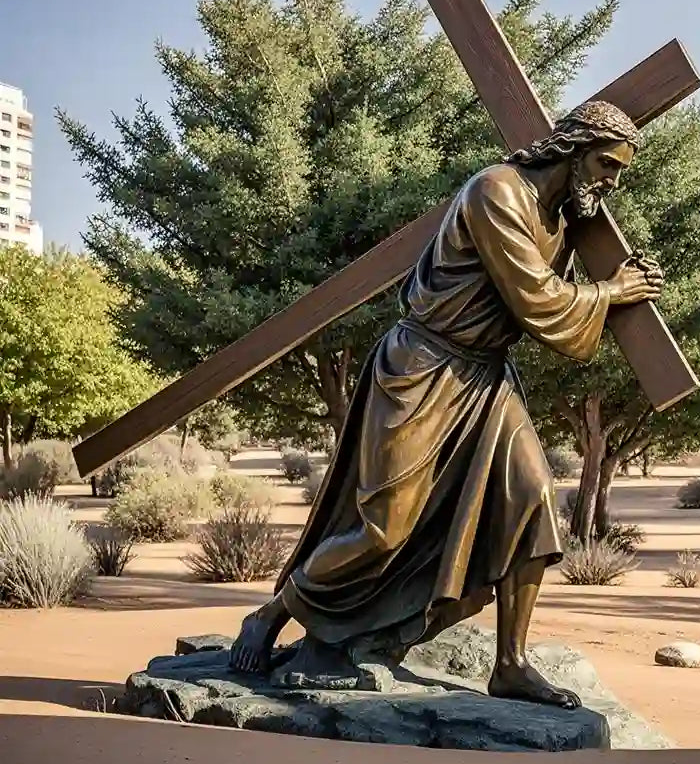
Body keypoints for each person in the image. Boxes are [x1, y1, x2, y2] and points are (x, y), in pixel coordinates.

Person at [230, 100, 664, 709]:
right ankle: (274, 613)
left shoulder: (563, 217)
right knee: (385, 527)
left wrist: (607, 286)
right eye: (606, 164)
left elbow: (550, 312)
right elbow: (538, 302)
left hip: (486, 379)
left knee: (532, 499)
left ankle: (510, 664)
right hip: (423, 366)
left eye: (619, 171)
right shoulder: (497, 193)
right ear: (572, 149)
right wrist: (610, 291)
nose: (611, 182)